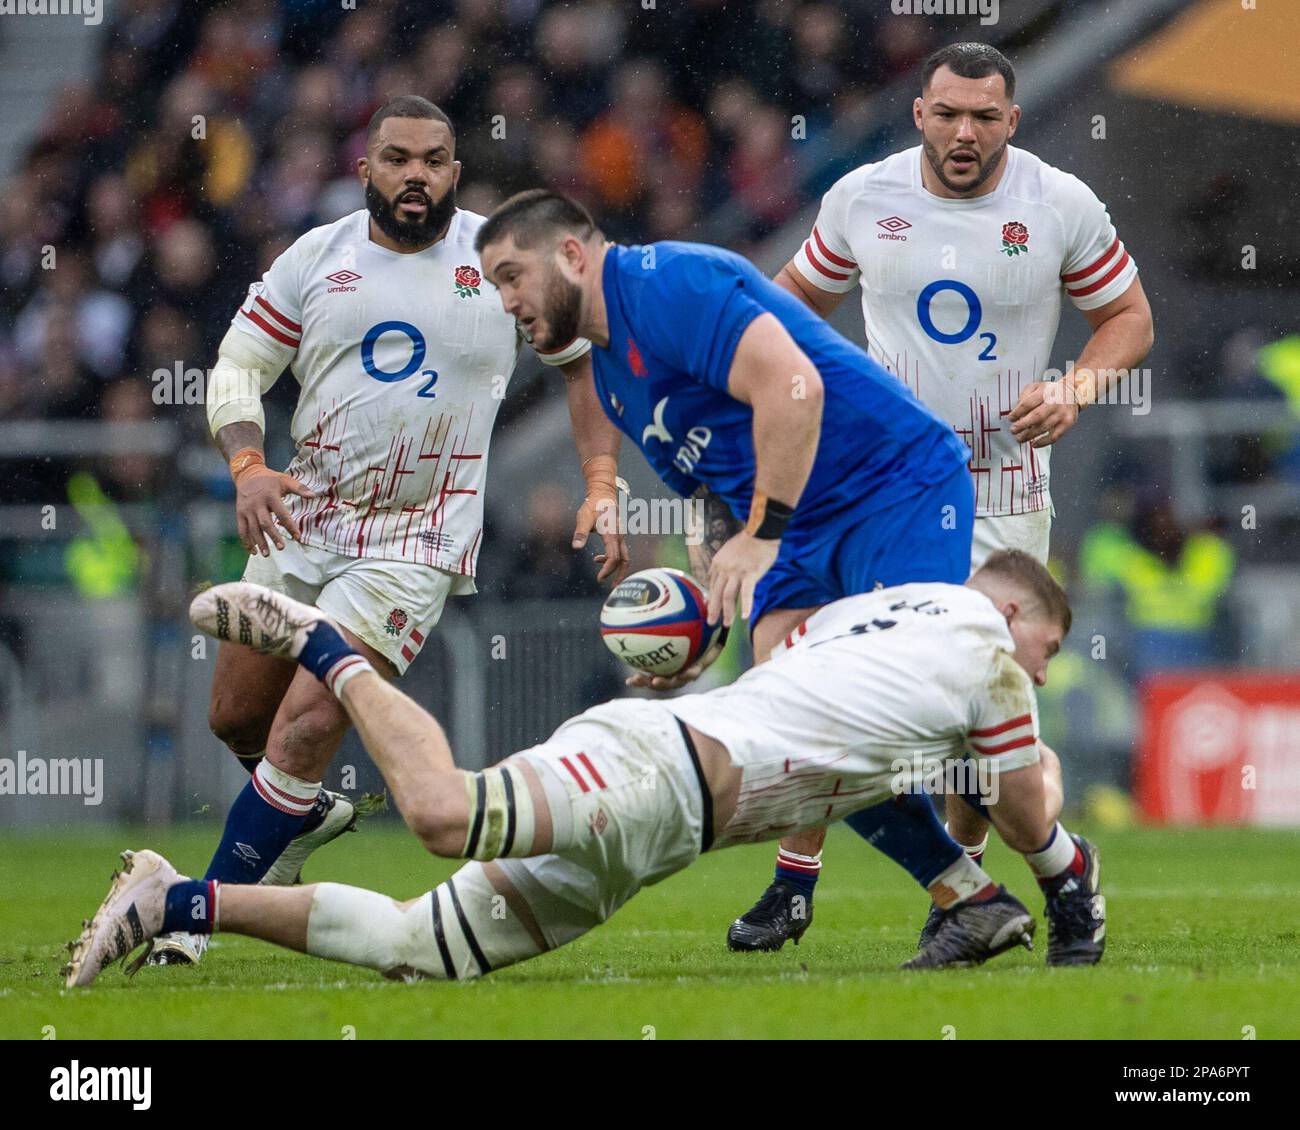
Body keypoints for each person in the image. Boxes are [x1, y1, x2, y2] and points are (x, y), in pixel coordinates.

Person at [66, 550, 1106, 988]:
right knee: (437, 815)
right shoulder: (981, 649)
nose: (1042, 673)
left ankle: (176, 899)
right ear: (1013, 613)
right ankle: (324, 641)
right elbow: (1020, 806)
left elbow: (863, 749)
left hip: (666, 828)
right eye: (1049, 648)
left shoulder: (875, 619)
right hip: (654, 770)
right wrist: (1064, 867)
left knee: (418, 946)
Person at [150, 96, 626, 967]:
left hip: (417, 542)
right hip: (301, 517)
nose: (417, 175)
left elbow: (581, 363)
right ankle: (302, 808)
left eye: (435, 160)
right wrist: (249, 468)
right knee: (235, 719)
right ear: (365, 168)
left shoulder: (499, 260)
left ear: (456, 171)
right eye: (398, 158)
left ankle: (189, 918)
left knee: (301, 728)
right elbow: (238, 367)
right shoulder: (316, 257)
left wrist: (599, 480)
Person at [475, 187, 990, 941]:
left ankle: (1062, 874)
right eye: (495, 286)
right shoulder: (614, 376)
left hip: (890, 484)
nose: (507, 300)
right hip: (792, 521)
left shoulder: (670, 284)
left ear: (572, 256)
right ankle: (968, 898)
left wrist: (764, 532)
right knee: (805, 723)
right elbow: (712, 496)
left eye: (511, 275)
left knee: (906, 702)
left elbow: (796, 387)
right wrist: (708, 621)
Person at [730, 41, 1154, 952]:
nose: (965, 133)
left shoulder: (1056, 203)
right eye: (948, 113)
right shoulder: (862, 197)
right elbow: (780, 311)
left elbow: (1129, 317)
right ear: (918, 113)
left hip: (1002, 491)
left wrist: (1075, 388)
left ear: (1013, 119)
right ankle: (801, 880)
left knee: (976, 737)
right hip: (889, 487)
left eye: (985, 117)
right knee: (827, 683)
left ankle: (1006, 888)